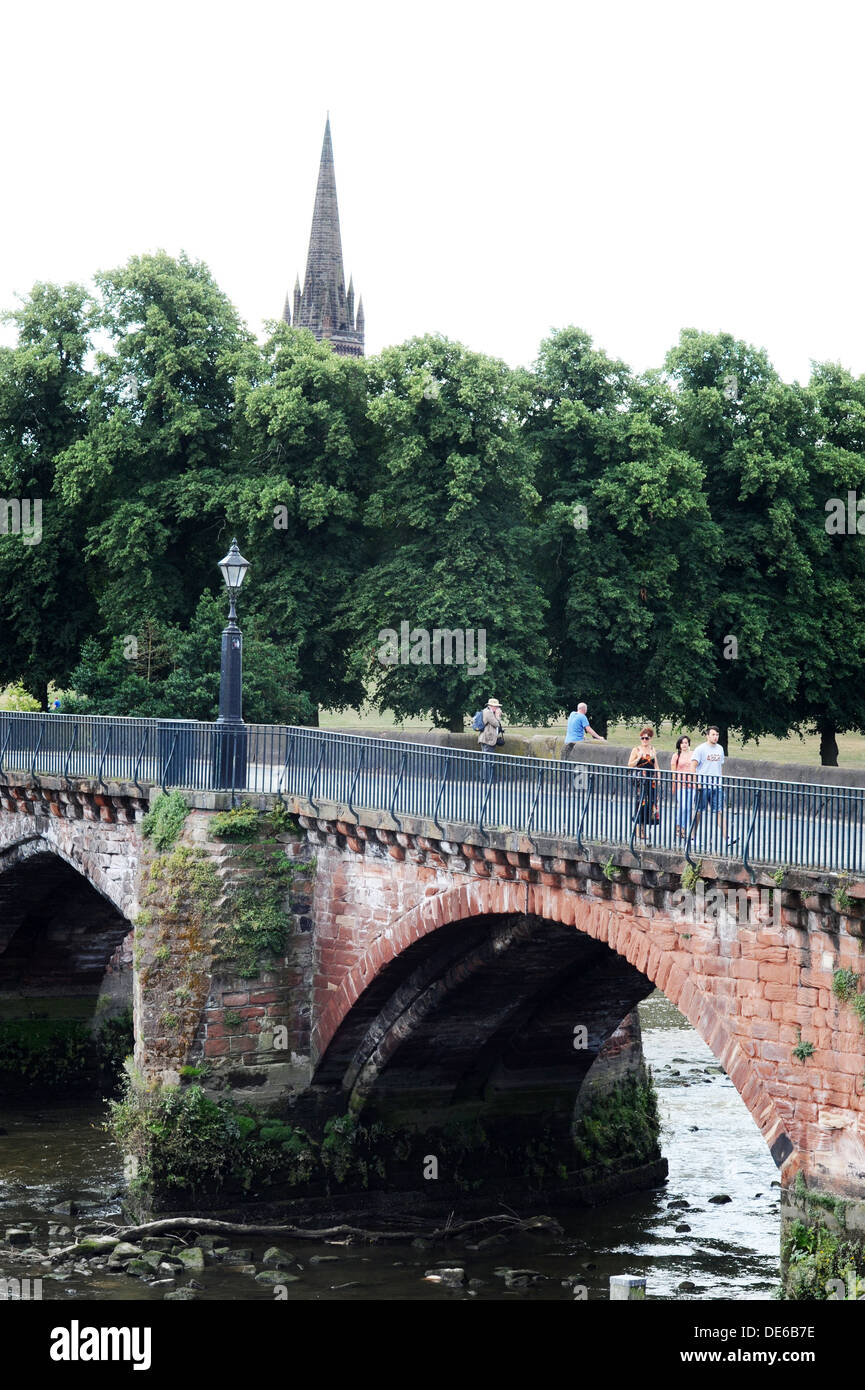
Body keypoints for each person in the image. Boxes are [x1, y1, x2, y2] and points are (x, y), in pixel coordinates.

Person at [690, 725, 735, 848]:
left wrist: (720, 781)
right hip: (703, 785)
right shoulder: (700, 749)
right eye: (713, 734)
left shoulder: (720, 749)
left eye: (717, 735)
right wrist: (697, 783)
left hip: (716, 786)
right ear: (708, 735)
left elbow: (720, 766)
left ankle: (727, 838)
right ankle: (692, 836)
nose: (715, 737)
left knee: (719, 811)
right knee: (698, 812)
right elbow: (693, 766)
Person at [627, 726, 659, 840]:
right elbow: (630, 764)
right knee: (641, 803)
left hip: (651, 781)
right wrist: (638, 758)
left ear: (650, 738)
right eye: (642, 738)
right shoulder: (636, 750)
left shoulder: (653, 750)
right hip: (641, 781)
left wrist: (658, 779)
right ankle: (638, 829)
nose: (644, 740)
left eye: (647, 738)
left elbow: (656, 766)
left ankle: (644, 829)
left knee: (650, 804)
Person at [671, 734, 694, 840]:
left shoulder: (693, 754)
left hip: (691, 785)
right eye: (682, 743)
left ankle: (682, 827)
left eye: (686, 742)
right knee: (683, 806)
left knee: (688, 808)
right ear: (679, 744)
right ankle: (680, 827)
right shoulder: (676, 756)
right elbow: (673, 772)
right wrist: (673, 785)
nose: (684, 745)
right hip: (681, 784)